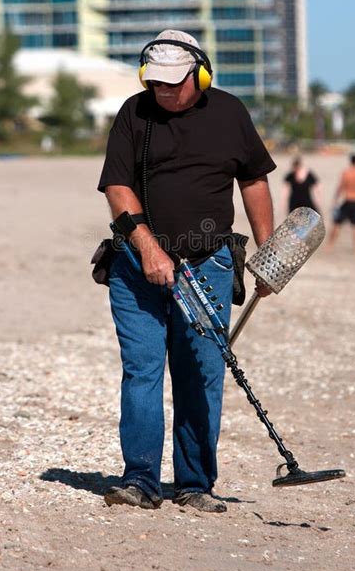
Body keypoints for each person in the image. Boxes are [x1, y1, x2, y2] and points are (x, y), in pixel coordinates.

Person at [97, 29, 276, 513]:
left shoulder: (230, 112)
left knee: (200, 374)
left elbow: (254, 180)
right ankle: (140, 480)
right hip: (137, 267)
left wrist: (269, 252)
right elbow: (117, 188)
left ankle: (195, 483)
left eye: (174, 82)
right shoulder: (134, 114)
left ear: (201, 75)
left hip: (209, 265)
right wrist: (149, 248)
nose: (164, 91)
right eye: (155, 82)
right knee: (142, 371)